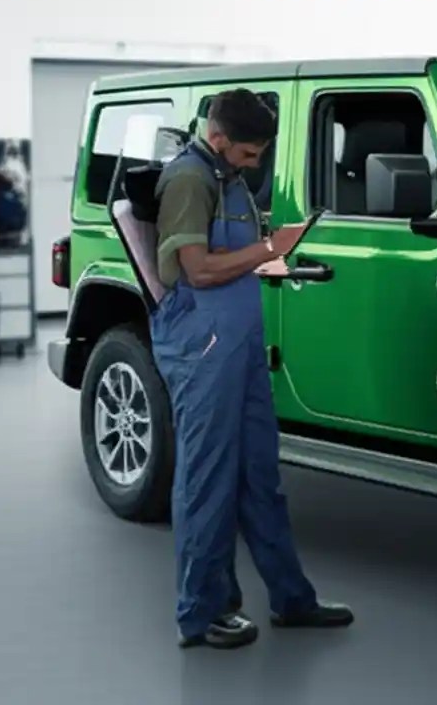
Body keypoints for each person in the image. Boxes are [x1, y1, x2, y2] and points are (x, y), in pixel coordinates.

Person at [151, 88, 352, 649]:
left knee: (261, 477)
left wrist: (277, 261)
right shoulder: (190, 180)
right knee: (207, 482)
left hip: (237, 341)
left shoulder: (229, 178)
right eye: (247, 154)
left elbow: (233, 262)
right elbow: (198, 272)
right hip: (204, 346)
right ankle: (202, 612)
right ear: (218, 138)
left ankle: (292, 599)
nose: (254, 163)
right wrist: (267, 248)